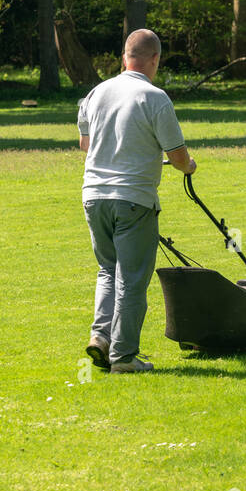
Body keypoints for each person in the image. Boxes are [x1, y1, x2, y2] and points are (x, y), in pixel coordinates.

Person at [77, 29, 196, 373]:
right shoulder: (154, 97)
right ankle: (124, 357)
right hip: (133, 199)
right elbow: (176, 155)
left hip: (94, 196)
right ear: (155, 59)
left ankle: (101, 338)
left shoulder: (96, 93)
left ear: (124, 56)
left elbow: (87, 145)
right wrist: (188, 166)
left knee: (107, 270)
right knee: (132, 277)